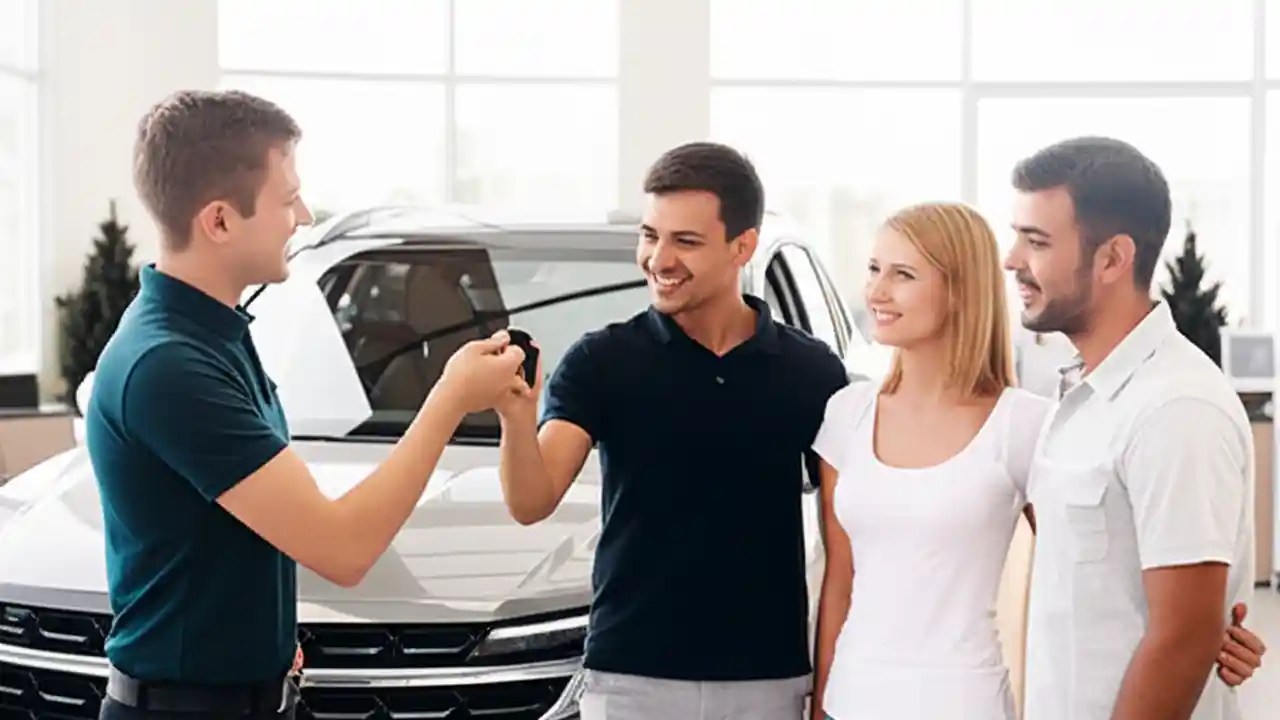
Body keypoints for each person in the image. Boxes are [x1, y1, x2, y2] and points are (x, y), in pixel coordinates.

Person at [84, 89, 527, 719]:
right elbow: (343, 550)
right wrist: (451, 397)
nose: (304, 215)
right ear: (219, 221)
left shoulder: (214, 333)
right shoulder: (169, 367)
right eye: (287, 198)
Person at [494, 141, 849, 719]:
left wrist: (828, 693)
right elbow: (530, 502)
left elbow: (846, 545)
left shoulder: (811, 372)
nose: (659, 259)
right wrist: (515, 416)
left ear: (743, 246)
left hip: (766, 678)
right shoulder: (600, 362)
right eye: (650, 236)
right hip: (630, 678)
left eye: (686, 241)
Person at [1008, 136, 1263, 720]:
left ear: (1112, 259)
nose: (1012, 259)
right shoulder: (1084, 392)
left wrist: (1201, 631)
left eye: (1036, 241)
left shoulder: (1177, 407)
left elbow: (1184, 639)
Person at [809, 201, 1050, 719]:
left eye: (903, 274)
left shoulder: (1024, 424)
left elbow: (1083, 572)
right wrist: (820, 708)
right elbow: (840, 582)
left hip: (963, 704)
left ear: (960, 291)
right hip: (852, 699)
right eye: (874, 269)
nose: (876, 291)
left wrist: (1211, 622)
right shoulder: (847, 413)